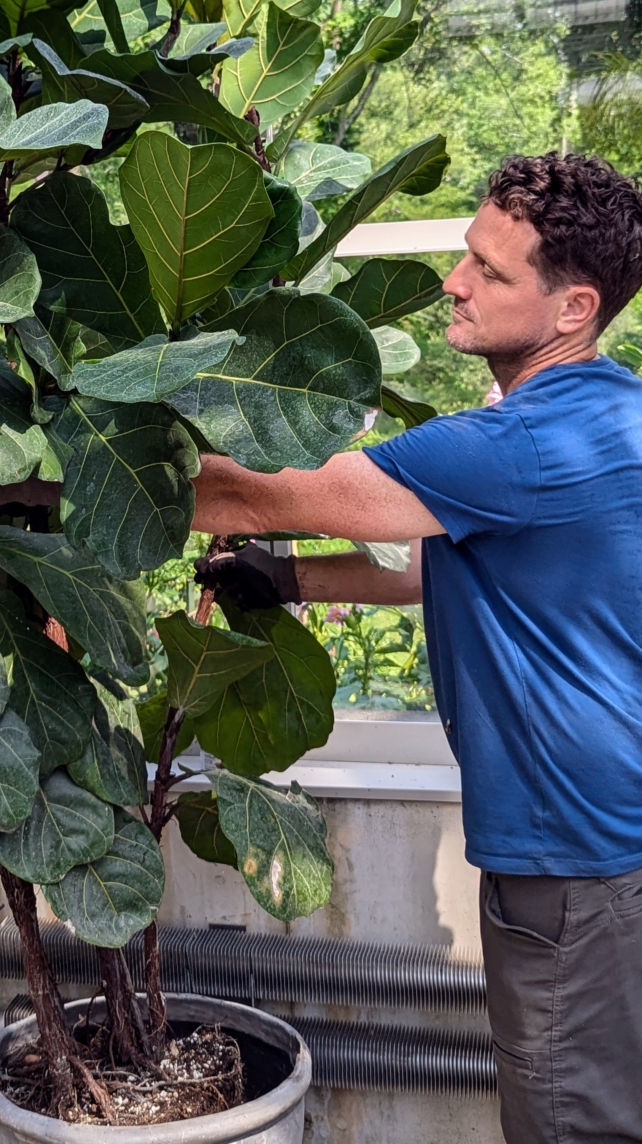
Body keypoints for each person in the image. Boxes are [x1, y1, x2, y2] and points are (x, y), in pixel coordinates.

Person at [194, 151, 642, 1144]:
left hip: (569, 858)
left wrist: (34, 480)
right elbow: (422, 570)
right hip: (617, 841)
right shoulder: (615, 414)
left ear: (570, 309)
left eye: (488, 270)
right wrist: (286, 581)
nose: (453, 280)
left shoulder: (514, 448)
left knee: (570, 1123)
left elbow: (245, 493)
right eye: (462, 257)